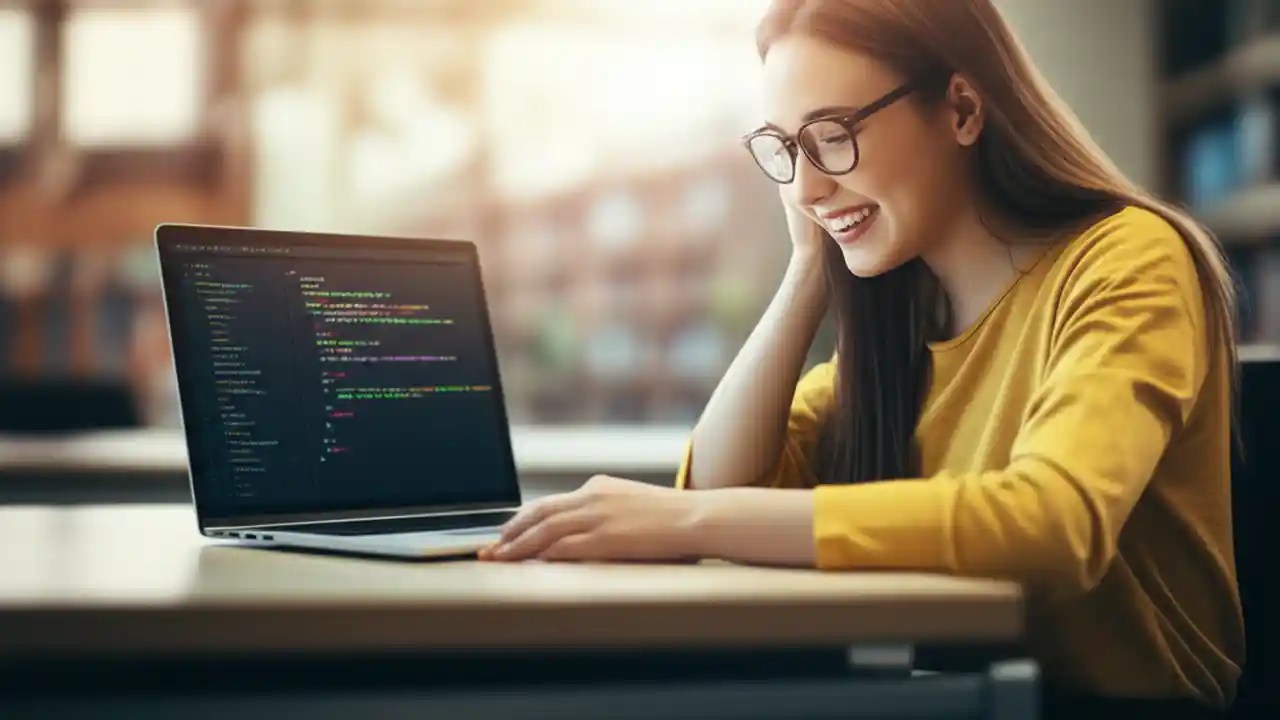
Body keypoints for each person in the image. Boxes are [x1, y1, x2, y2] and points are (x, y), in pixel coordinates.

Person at [480, 0, 1244, 715]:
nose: (808, 184)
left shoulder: (1128, 260)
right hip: (955, 695)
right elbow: (726, 479)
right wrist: (809, 267)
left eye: (834, 135)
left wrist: (689, 521)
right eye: (785, 148)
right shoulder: (901, 326)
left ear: (962, 109)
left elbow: (1052, 525)